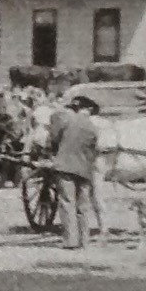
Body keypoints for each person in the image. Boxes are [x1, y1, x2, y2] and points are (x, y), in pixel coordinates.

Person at [48, 97, 103, 249]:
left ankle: (70, 240)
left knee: (67, 203)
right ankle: (84, 241)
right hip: (84, 170)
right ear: (90, 111)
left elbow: (54, 140)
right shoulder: (93, 128)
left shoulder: (67, 122)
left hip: (64, 166)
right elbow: (95, 150)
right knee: (83, 206)